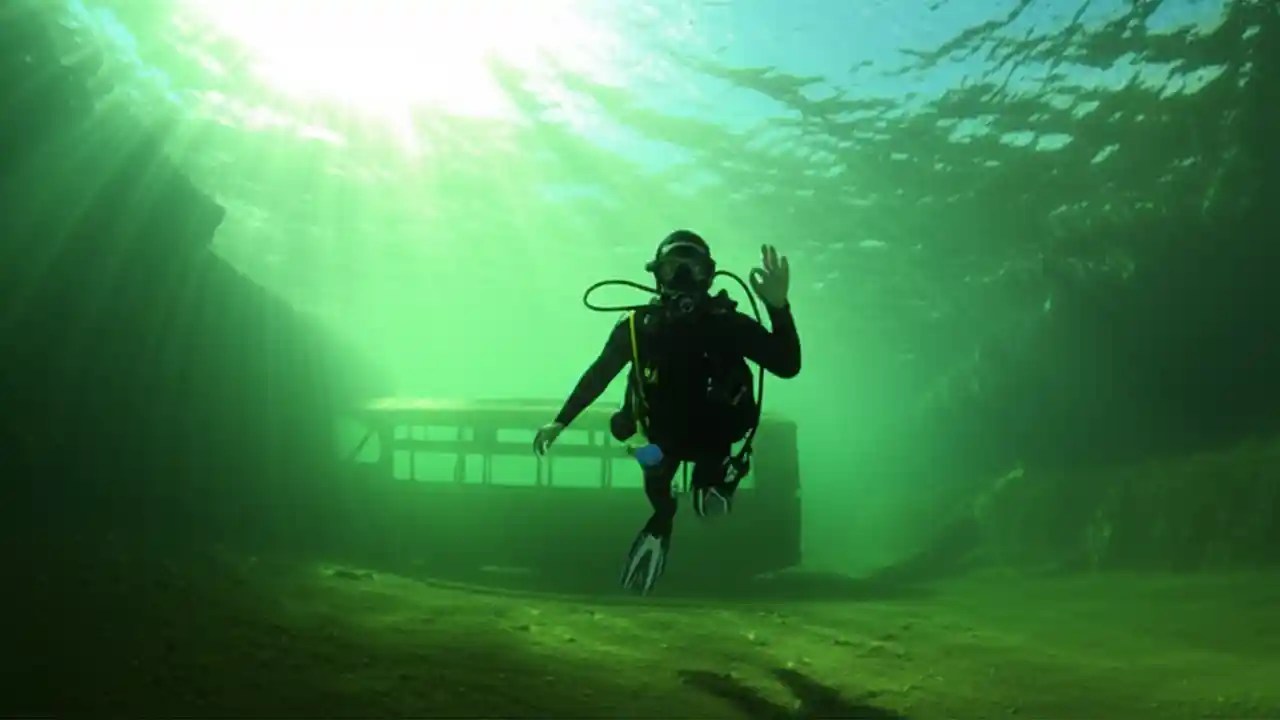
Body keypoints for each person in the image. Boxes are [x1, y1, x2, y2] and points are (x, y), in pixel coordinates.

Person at [532, 230, 802, 594]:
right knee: (652, 470)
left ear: (709, 276)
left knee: (706, 501)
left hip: (712, 436)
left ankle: (717, 483)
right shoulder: (638, 327)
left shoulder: (725, 325)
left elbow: (786, 364)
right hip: (660, 436)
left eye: (694, 270)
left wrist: (778, 306)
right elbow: (599, 374)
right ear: (657, 276)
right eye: (675, 270)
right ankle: (663, 519)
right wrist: (560, 421)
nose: (684, 281)